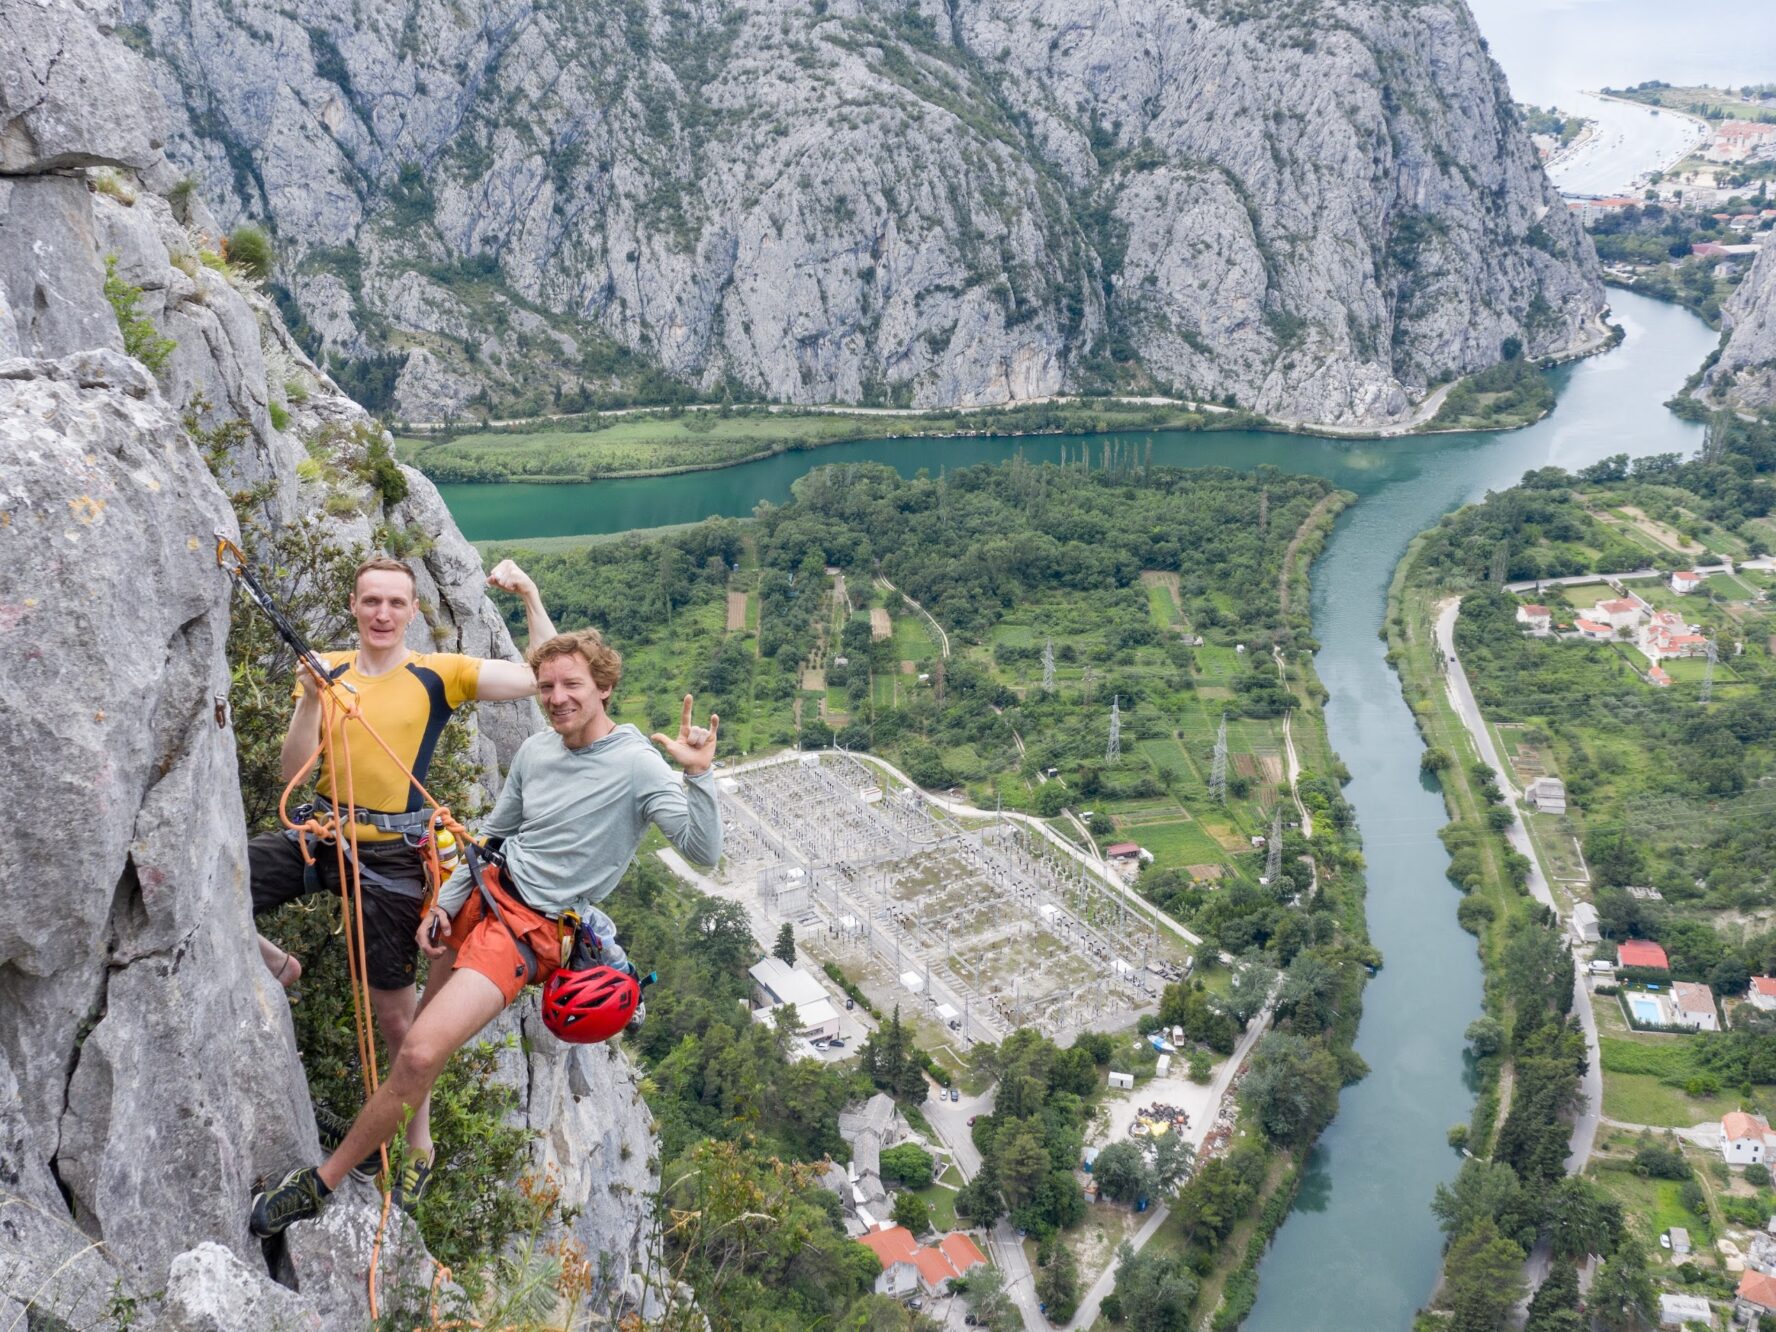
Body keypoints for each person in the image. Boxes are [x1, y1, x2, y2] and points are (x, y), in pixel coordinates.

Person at [250, 628, 722, 1237]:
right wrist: (444, 906)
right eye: (547, 686)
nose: (557, 697)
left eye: (573, 684)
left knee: (419, 1051)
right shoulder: (535, 751)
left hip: (528, 933)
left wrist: (700, 775)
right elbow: (494, 837)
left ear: (604, 688)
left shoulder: (638, 766)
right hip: (480, 895)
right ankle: (381, 1143)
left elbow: (703, 850)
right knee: (419, 1039)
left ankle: (320, 1184)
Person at [249, 555, 554, 1183]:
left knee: (395, 1014)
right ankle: (279, 962)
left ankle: (419, 1140)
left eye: (395, 603)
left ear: (414, 611)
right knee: (215, 884)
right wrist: (309, 700)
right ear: (355, 608)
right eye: (371, 602)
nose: (382, 614)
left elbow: (538, 677)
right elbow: (292, 772)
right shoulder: (324, 671)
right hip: (321, 830)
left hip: (390, 851)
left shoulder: (437, 674)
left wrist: (528, 595)